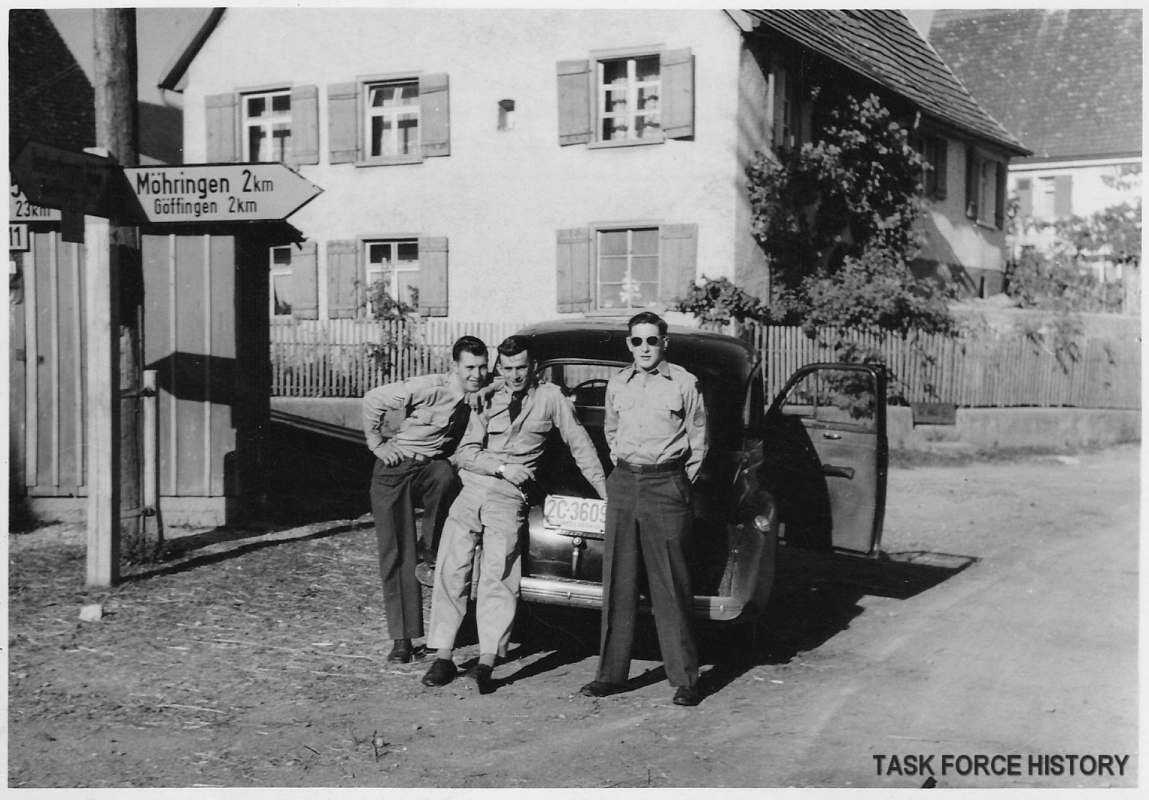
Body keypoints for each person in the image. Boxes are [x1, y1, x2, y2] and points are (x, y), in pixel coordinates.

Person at [421, 335, 607, 693]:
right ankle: (443, 656)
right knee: (451, 568)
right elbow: (465, 453)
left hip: (508, 500)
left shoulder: (550, 398)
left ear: (534, 366)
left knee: (499, 575)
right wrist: (503, 467)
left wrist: (605, 492)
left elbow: (579, 443)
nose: (514, 375)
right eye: (507, 368)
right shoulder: (487, 397)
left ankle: (488, 661)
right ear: (499, 368)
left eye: (521, 367)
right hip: (473, 489)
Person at [580, 311, 709, 706]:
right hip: (624, 481)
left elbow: (699, 441)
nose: (645, 349)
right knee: (618, 579)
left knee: (671, 583)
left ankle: (685, 678)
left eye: (652, 340)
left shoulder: (684, 383)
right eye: (637, 341)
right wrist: (624, 466)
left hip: (666, 483)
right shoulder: (618, 383)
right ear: (629, 344)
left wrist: (675, 481)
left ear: (664, 342)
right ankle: (610, 675)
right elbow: (611, 431)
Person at [362, 335, 490, 664]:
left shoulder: (479, 396)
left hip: (428, 469)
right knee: (395, 552)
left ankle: (429, 547)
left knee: (446, 475)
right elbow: (373, 399)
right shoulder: (430, 387)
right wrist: (377, 444)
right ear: (455, 367)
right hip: (394, 468)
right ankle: (402, 638)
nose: (476, 374)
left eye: (481, 367)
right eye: (469, 367)